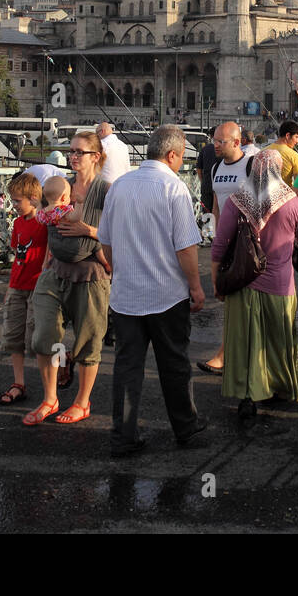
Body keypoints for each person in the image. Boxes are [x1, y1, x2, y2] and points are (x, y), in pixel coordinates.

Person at [98, 125, 207, 457]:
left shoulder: (120, 186)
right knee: (173, 363)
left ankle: (123, 437)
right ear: (172, 155)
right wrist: (196, 286)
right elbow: (186, 248)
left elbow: (105, 241)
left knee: (127, 367)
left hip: (126, 295)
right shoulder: (173, 187)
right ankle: (185, 428)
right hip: (165, 295)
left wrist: (119, 269)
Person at [213, 149, 298, 419]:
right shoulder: (290, 202)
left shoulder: (238, 200)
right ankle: (278, 387)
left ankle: (246, 390)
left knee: (243, 343)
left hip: (241, 283)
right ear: (279, 170)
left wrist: (217, 281)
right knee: (277, 341)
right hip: (279, 286)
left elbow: (220, 245)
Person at [24, 130, 112, 426]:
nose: (72, 157)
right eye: (71, 151)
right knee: (44, 336)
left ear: (96, 157)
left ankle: (82, 402)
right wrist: (46, 262)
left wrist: (87, 230)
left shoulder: (106, 191)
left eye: (79, 152)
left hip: (91, 274)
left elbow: (120, 233)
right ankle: (50, 398)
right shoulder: (59, 187)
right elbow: (46, 225)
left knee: (89, 341)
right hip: (55, 271)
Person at [196, 121, 254, 377]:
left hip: (247, 244)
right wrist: (218, 236)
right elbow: (219, 205)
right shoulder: (217, 167)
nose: (215, 145)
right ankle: (227, 353)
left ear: (236, 142)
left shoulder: (251, 166)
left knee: (246, 302)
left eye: (220, 141)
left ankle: (232, 355)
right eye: (214, 140)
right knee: (229, 300)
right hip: (226, 242)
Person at [0, 173, 48, 406]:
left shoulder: (44, 223)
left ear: (33, 198)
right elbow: (18, 256)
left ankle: (50, 388)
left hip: (37, 286)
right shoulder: (18, 224)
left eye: (18, 201)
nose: (14, 205)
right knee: (14, 336)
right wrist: (10, 286)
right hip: (17, 286)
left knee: (37, 338)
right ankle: (19, 382)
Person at [265, 120, 298, 186]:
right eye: (296, 137)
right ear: (288, 135)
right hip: (285, 194)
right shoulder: (293, 155)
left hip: (264, 195)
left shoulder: (263, 151)